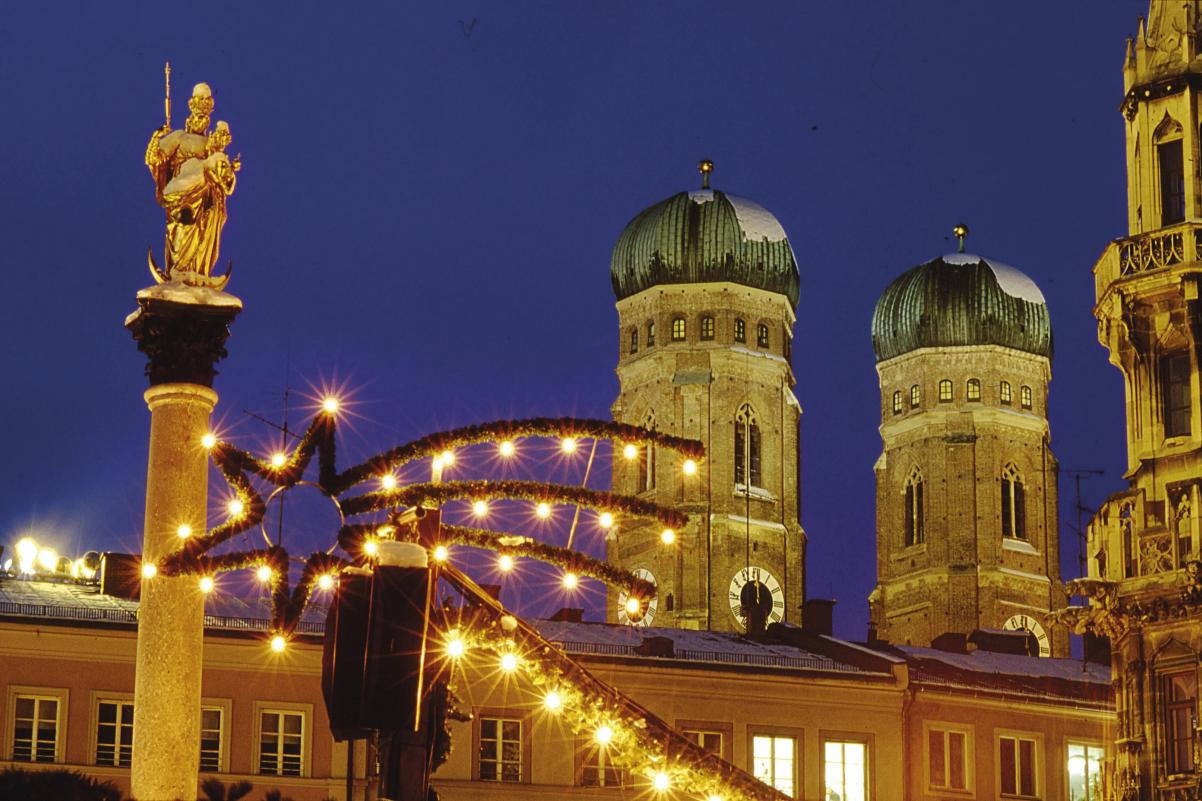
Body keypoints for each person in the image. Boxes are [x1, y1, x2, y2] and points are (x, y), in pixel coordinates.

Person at [145, 83, 239, 281]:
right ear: (191, 115)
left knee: (206, 227)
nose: (201, 122)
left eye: (205, 118)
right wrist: (157, 136)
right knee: (183, 225)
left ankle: (199, 272)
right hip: (182, 192)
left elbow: (219, 171)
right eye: (198, 116)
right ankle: (179, 270)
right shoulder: (179, 137)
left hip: (205, 195)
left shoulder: (210, 145)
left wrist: (228, 169)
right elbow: (155, 159)